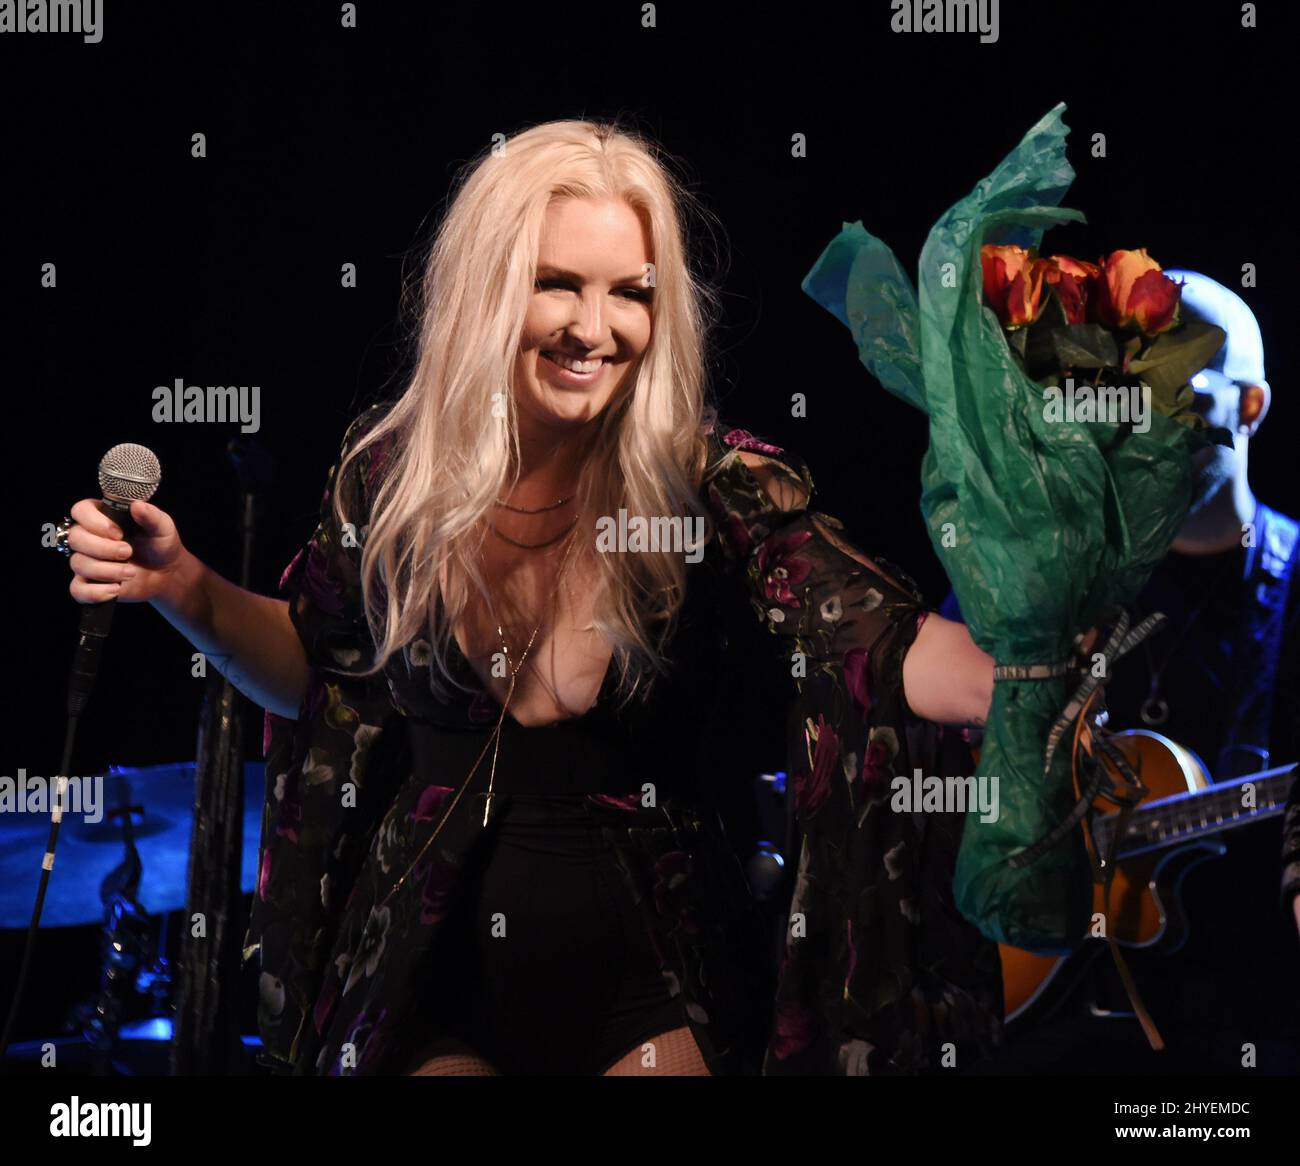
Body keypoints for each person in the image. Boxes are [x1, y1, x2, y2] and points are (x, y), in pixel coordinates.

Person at [61, 120, 1020, 1077]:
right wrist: (181, 585)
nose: (594, 329)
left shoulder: (711, 486)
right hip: (425, 972)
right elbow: (318, 669)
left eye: (631, 294)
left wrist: (1020, 668)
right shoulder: (388, 476)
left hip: (655, 971)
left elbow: (873, 645)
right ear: (484, 288)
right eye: (556, 283)